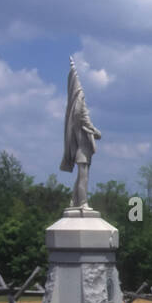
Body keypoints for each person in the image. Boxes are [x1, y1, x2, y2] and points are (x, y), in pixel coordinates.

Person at [60, 57, 103, 208]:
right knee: (84, 177)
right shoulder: (80, 104)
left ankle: (73, 201)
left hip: (84, 149)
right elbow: (83, 117)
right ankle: (83, 203)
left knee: (80, 177)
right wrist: (96, 131)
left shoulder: (76, 109)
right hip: (83, 150)